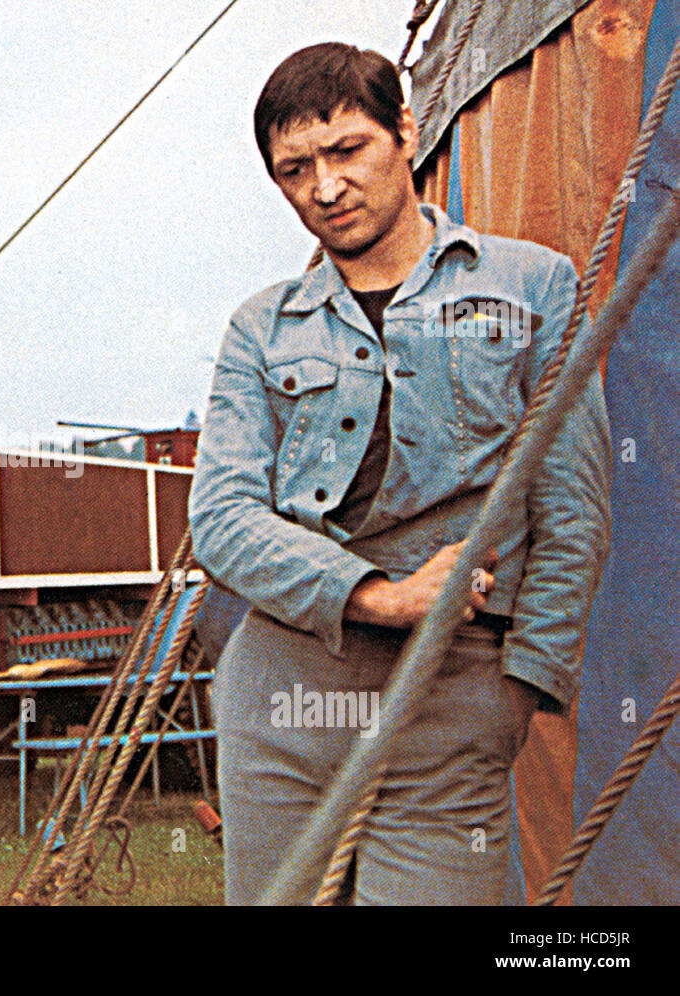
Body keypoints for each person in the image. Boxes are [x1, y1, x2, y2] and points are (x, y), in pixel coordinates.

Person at [189, 43, 611, 905]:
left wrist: (522, 683)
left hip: (453, 691)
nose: (325, 188)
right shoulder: (262, 329)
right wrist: (379, 596)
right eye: (294, 170)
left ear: (406, 131)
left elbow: (575, 504)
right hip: (283, 695)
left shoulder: (533, 286)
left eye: (347, 151)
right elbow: (222, 517)